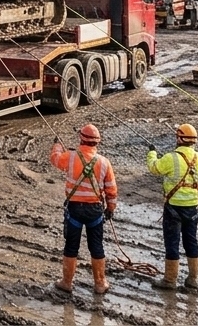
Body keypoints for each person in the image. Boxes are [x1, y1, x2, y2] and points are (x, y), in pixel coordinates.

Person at [50, 124, 118, 295]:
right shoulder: (104, 162)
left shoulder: (71, 157)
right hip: (95, 210)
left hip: (75, 209)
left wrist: (57, 145)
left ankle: (66, 282)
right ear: (97, 143)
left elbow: (56, 160)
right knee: (96, 246)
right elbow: (111, 188)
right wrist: (110, 207)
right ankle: (100, 283)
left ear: (81, 139)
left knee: (71, 246)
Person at [147, 123, 198, 290]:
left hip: (173, 206)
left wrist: (152, 153)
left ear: (179, 139)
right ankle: (193, 279)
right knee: (191, 241)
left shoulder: (171, 157)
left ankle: (169, 280)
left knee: (172, 242)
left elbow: (154, 168)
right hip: (193, 207)